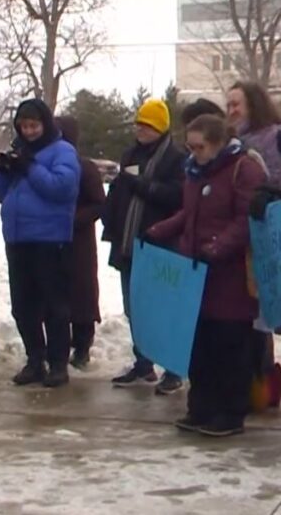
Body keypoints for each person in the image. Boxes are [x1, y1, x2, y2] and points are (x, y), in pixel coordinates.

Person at [147, 114, 265, 436]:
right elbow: (190, 212)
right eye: (190, 146)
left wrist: (218, 247)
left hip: (230, 276)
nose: (193, 152)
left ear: (217, 143)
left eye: (199, 147)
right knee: (200, 345)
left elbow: (246, 220)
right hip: (196, 273)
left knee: (228, 346)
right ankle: (200, 407)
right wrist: (160, 230)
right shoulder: (196, 171)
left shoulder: (243, 169)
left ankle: (230, 412)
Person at [0, 99, 80, 388]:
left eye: (33, 126)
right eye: (23, 126)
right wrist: (2, 172)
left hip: (49, 238)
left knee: (54, 305)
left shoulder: (62, 151)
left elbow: (61, 188)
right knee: (23, 305)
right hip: (18, 237)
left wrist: (30, 168)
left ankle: (57, 364)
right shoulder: (21, 151)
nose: (28, 131)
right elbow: (1, 192)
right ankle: (34, 359)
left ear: (45, 124)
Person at [101, 98, 186, 393]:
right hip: (128, 243)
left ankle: (173, 370)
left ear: (160, 128)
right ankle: (143, 363)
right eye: (138, 124)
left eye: (147, 125)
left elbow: (178, 196)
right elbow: (117, 191)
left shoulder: (176, 158)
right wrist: (109, 221)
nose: (140, 130)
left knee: (162, 309)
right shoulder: (130, 154)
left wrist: (143, 186)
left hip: (159, 245)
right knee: (134, 307)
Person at [225, 81, 281, 411]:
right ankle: (258, 386)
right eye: (228, 104)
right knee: (254, 316)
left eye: (237, 104)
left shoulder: (274, 136)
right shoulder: (232, 143)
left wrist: (271, 194)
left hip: (270, 236)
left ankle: (265, 386)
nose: (231, 110)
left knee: (268, 312)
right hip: (243, 241)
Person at [55, 116, 106, 370]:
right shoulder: (49, 164)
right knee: (56, 294)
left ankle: (83, 345)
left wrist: (73, 220)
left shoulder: (85, 168)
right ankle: (59, 344)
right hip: (51, 241)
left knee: (82, 293)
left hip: (79, 242)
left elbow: (98, 202)